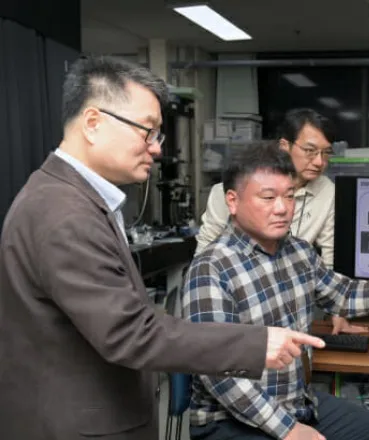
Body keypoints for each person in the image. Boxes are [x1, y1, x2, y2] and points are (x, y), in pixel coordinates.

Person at [0, 56, 323, 440]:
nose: (155, 148)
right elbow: (130, 333)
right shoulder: (62, 212)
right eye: (147, 131)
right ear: (93, 123)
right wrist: (255, 343)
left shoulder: (73, 198)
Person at [183, 141, 369, 440]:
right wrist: (289, 430)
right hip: (229, 421)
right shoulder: (211, 269)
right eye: (268, 197)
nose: (282, 208)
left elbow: (345, 296)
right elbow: (220, 374)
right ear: (232, 201)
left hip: (295, 402)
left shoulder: (298, 252)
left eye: (289, 196)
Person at [197, 108, 364, 335]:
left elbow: (330, 255)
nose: (319, 162)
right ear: (285, 146)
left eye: (326, 153)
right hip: (242, 298)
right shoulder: (230, 192)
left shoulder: (328, 192)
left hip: (290, 297)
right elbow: (205, 250)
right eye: (310, 151)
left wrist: (338, 312)